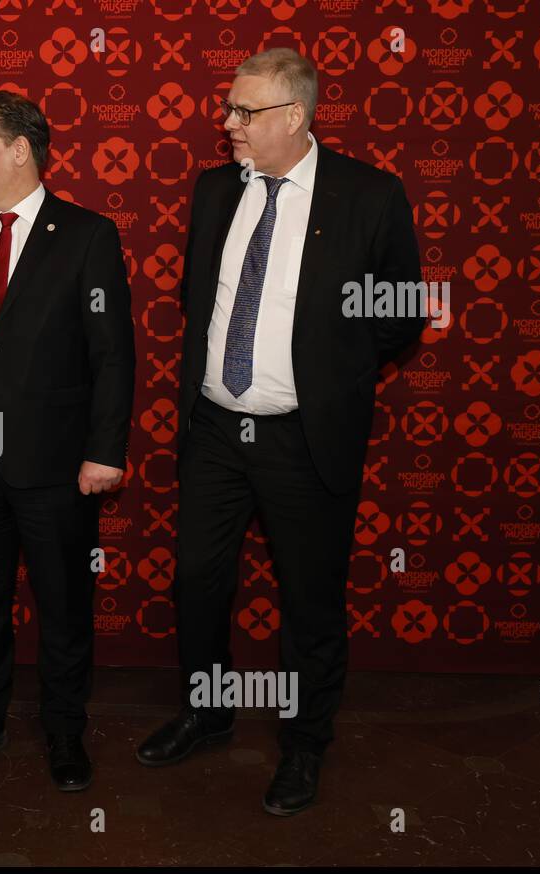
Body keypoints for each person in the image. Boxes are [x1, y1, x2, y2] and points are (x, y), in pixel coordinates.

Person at [136, 48, 426, 815]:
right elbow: (203, 297)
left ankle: (305, 744)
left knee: (310, 599)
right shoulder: (212, 191)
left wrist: (331, 366)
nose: (227, 123)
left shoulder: (369, 195)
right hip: (214, 432)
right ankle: (207, 709)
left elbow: (401, 315)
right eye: (227, 108)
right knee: (197, 584)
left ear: (293, 117)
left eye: (243, 112)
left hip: (305, 439)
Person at [0, 92, 135, 792]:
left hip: (56, 467)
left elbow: (112, 355)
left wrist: (105, 450)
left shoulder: (87, 236)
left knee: (64, 604)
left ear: (20, 150)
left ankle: (65, 732)